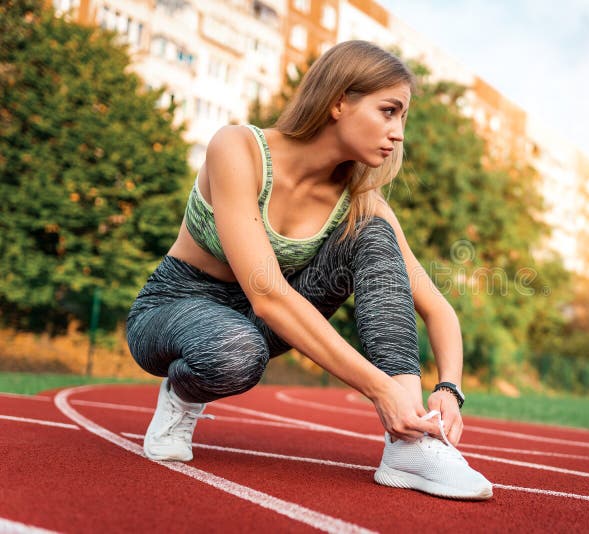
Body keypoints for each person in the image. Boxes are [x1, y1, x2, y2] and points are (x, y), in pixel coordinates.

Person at [126, 40, 492, 500]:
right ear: (340, 102)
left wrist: (448, 390)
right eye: (388, 111)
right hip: (175, 307)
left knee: (372, 232)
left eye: (403, 117)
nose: (398, 132)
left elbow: (438, 310)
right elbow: (267, 294)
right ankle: (182, 394)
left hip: (262, 323)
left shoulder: (359, 201)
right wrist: (379, 390)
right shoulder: (238, 147)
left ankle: (409, 442)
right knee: (235, 349)